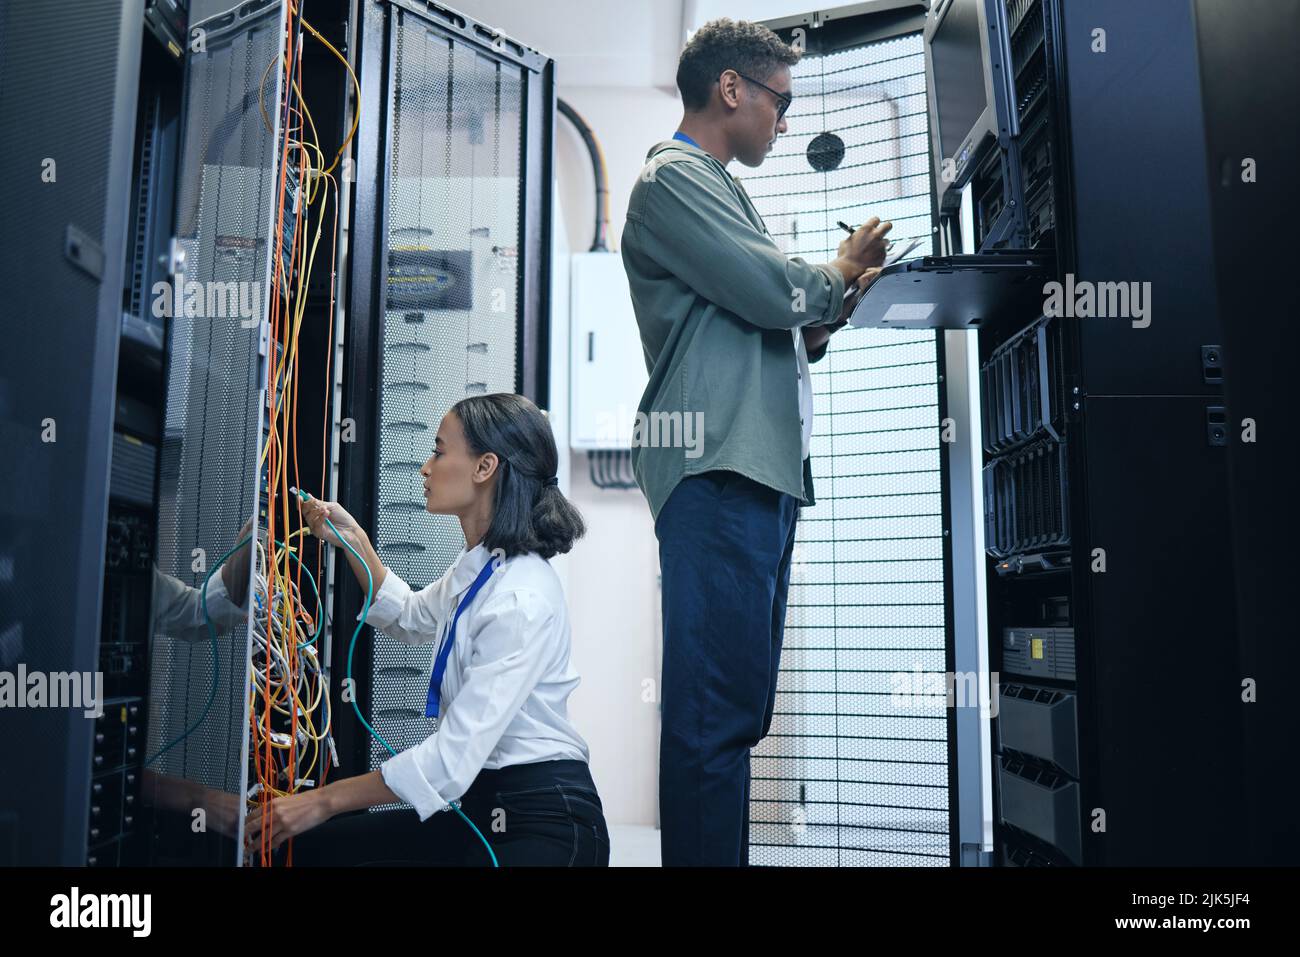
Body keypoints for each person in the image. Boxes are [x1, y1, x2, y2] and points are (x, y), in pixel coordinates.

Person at [620, 18, 891, 865]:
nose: (784, 118)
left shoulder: (720, 189)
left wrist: (828, 313)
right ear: (730, 88)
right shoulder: (673, 178)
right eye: (779, 99)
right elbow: (774, 289)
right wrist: (836, 275)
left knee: (734, 714)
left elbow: (768, 320)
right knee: (711, 719)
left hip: (755, 470)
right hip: (720, 469)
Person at [245, 393, 610, 866]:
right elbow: (412, 616)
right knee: (320, 850)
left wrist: (321, 801)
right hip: (486, 809)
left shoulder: (521, 598)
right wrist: (353, 539)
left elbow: (448, 761)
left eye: (439, 451)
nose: (425, 467)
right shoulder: (481, 568)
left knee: (323, 834)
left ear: (485, 468)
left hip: (545, 823)